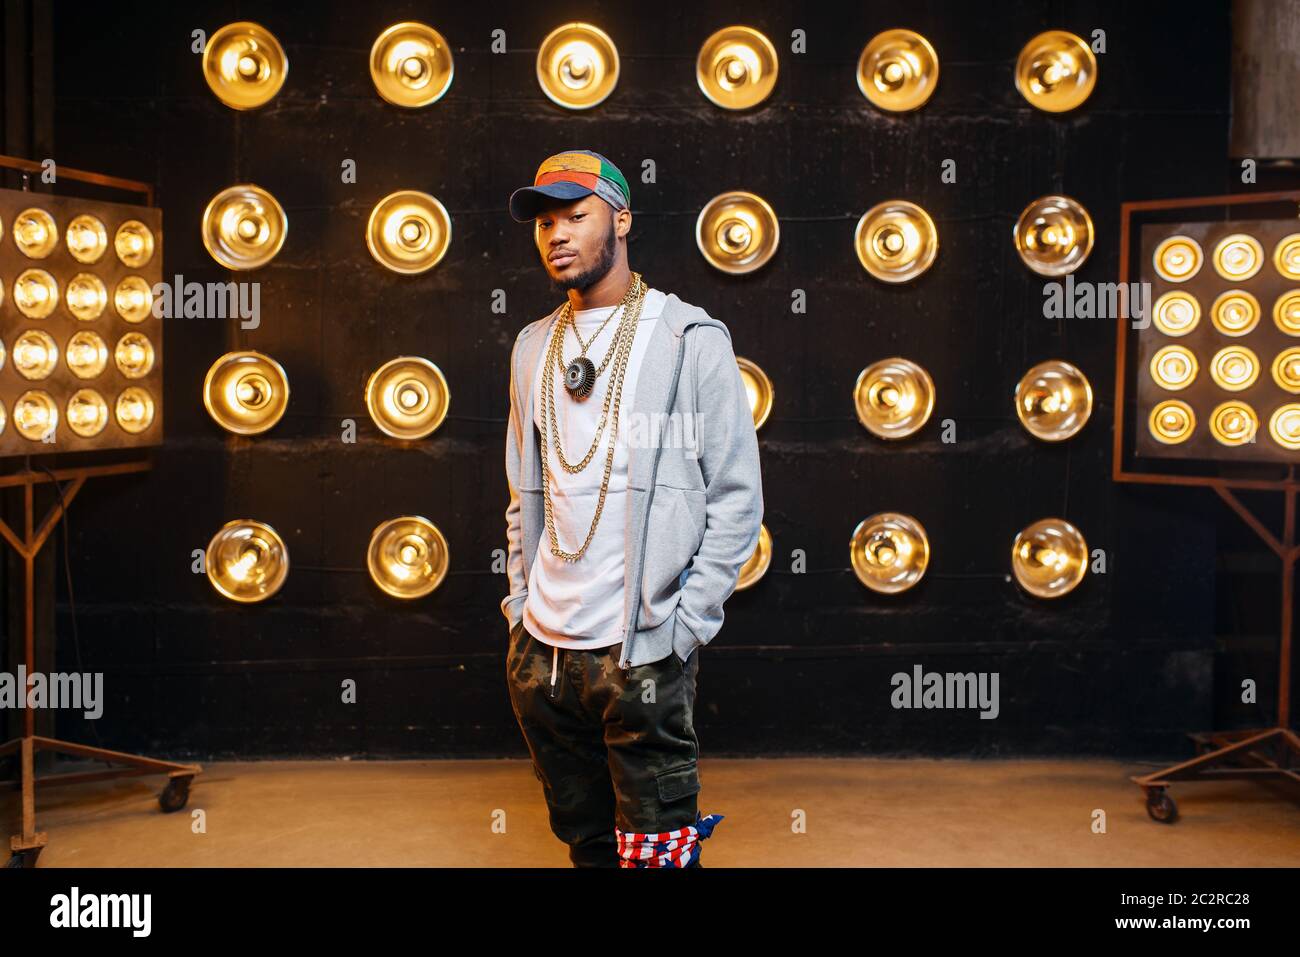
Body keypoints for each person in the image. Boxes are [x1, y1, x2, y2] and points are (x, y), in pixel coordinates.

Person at [500, 149, 763, 867]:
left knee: (657, 853)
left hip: (643, 647)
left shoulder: (688, 339)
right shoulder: (531, 346)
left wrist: (686, 623)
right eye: (545, 222)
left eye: (575, 216)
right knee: (587, 847)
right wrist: (520, 608)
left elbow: (736, 495)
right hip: (544, 651)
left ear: (621, 220)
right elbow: (523, 493)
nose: (557, 234)